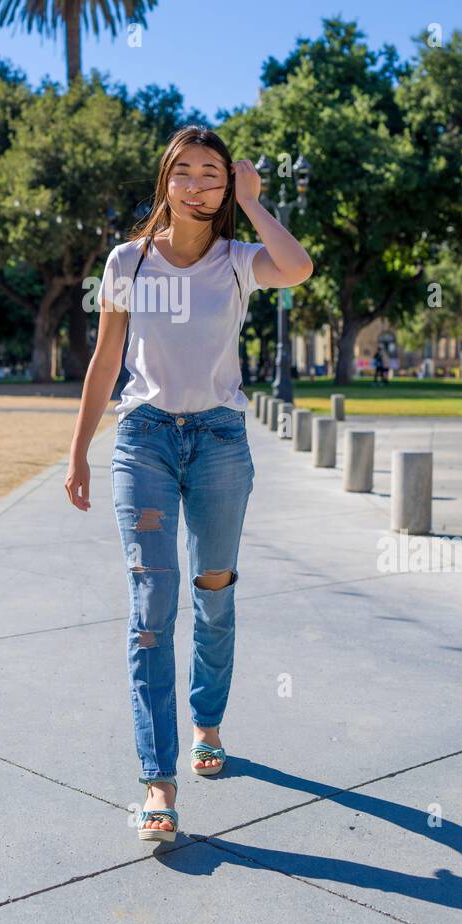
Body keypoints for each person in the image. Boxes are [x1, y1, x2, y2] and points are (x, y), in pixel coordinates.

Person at [65, 127, 313, 845]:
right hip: (143, 441)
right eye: (187, 172)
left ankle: (208, 722)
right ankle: (157, 784)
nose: (199, 183)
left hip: (219, 444)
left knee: (214, 592)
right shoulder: (126, 260)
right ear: (166, 181)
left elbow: (297, 267)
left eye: (213, 174)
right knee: (150, 606)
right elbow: (106, 357)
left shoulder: (240, 260)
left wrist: (254, 203)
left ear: (226, 187)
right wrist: (79, 449)